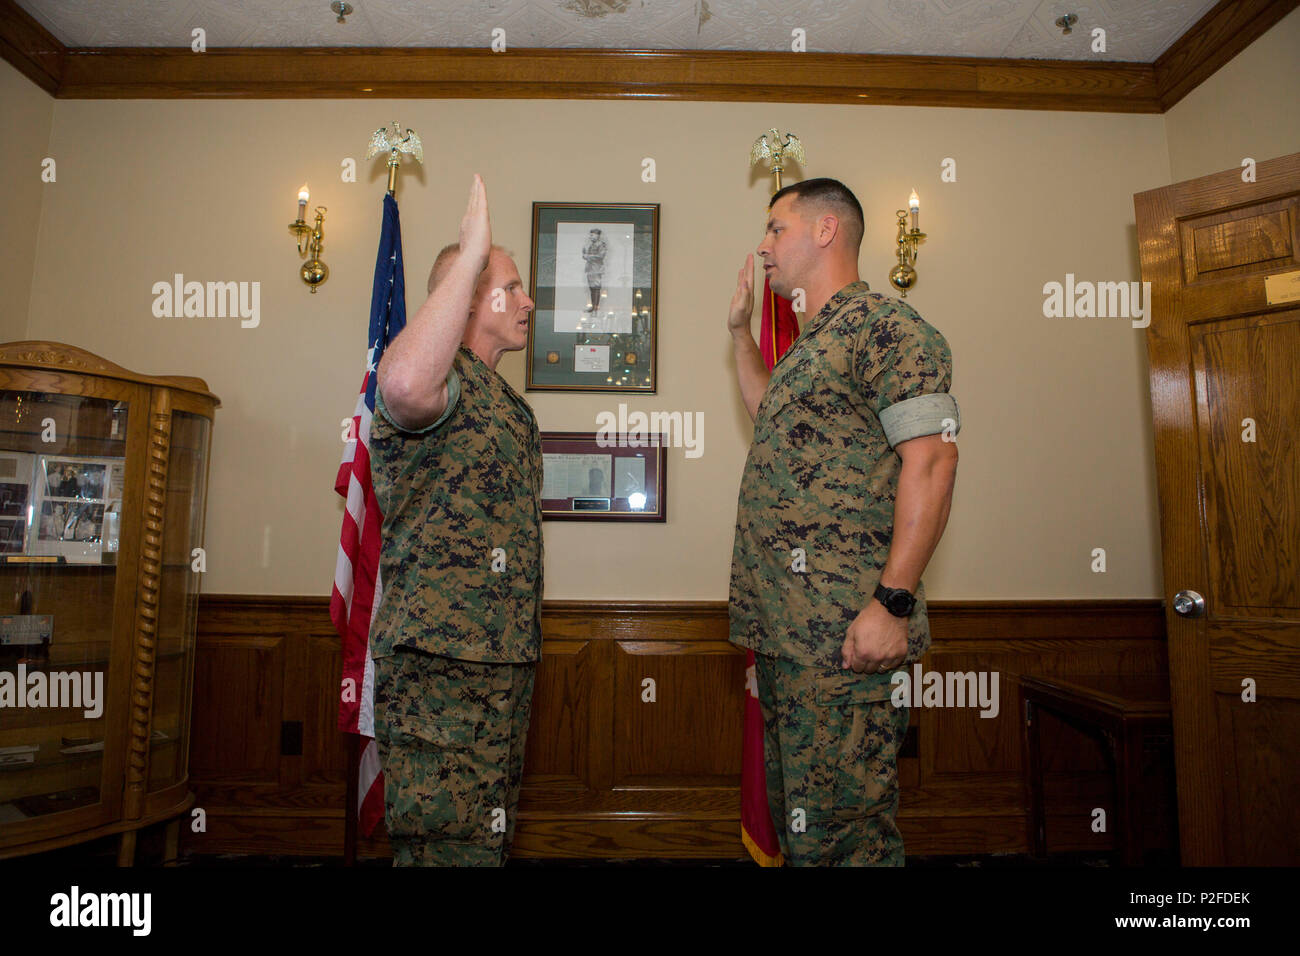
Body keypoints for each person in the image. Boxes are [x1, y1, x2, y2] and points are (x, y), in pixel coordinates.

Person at [727, 177, 960, 866]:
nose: (764, 246)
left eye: (776, 228)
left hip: (845, 638)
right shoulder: (811, 345)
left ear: (826, 231)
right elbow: (770, 413)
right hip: (791, 641)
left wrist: (893, 601)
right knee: (808, 839)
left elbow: (934, 461)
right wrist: (740, 334)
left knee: (844, 843)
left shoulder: (887, 327)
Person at [369, 174, 543, 866]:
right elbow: (405, 385)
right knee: (444, 852)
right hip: (440, 673)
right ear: (469, 297)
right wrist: (470, 256)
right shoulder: (433, 383)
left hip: (502, 667)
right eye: (512, 286)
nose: (529, 301)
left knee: (483, 847)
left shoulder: (508, 404)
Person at [582, 228, 607, 315]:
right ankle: (593, 307)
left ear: (597, 235)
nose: (590, 236)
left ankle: (595, 308)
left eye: (592, 235)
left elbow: (600, 256)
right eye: (590, 235)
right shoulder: (590, 245)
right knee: (592, 288)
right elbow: (584, 253)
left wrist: (588, 256)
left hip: (596, 269)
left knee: (596, 288)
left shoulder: (601, 245)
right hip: (590, 268)